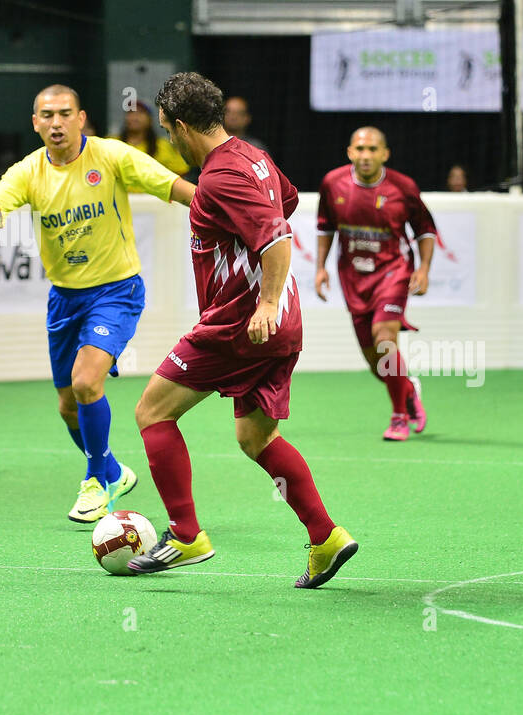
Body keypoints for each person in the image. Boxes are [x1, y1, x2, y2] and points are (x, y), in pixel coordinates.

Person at [126, 71, 358, 589]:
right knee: (256, 436)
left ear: (181, 126)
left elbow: (276, 235)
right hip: (279, 323)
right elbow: (284, 202)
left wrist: (265, 301)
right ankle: (325, 537)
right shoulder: (253, 156)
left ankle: (186, 536)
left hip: (241, 322)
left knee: (152, 412)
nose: (168, 138)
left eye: (166, 128)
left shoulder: (220, 176)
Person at [0, 84, 196, 524]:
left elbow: (175, 187)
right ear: (35, 123)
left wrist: (228, 210)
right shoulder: (28, 171)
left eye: (65, 113)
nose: (56, 123)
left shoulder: (111, 156)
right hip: (64, 299)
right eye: (47, 115)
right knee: (68, 406)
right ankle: (114, 471)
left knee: (86, 383)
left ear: (81, 118)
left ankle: (96, 481)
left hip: (116, 291)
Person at [316, 127, 435, 441]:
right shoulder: (332, 183)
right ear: (349, 152)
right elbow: (325, 227)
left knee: (385, 339)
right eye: (360, 149)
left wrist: (423, 269)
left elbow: (425, 230)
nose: (365, 155)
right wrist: (320, 267)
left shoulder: (403, 187)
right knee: (376, 364)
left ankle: (399, 417)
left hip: (393, 272)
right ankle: (407, 389)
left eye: (372, 149)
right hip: (353, 277)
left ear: (385, 154)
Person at [110, 100, 189, 175]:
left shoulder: (162, 145)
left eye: (141, 112)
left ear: (150, 119)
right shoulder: (112, 142)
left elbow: (181, 171)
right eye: (131, 112)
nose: (135, 117)